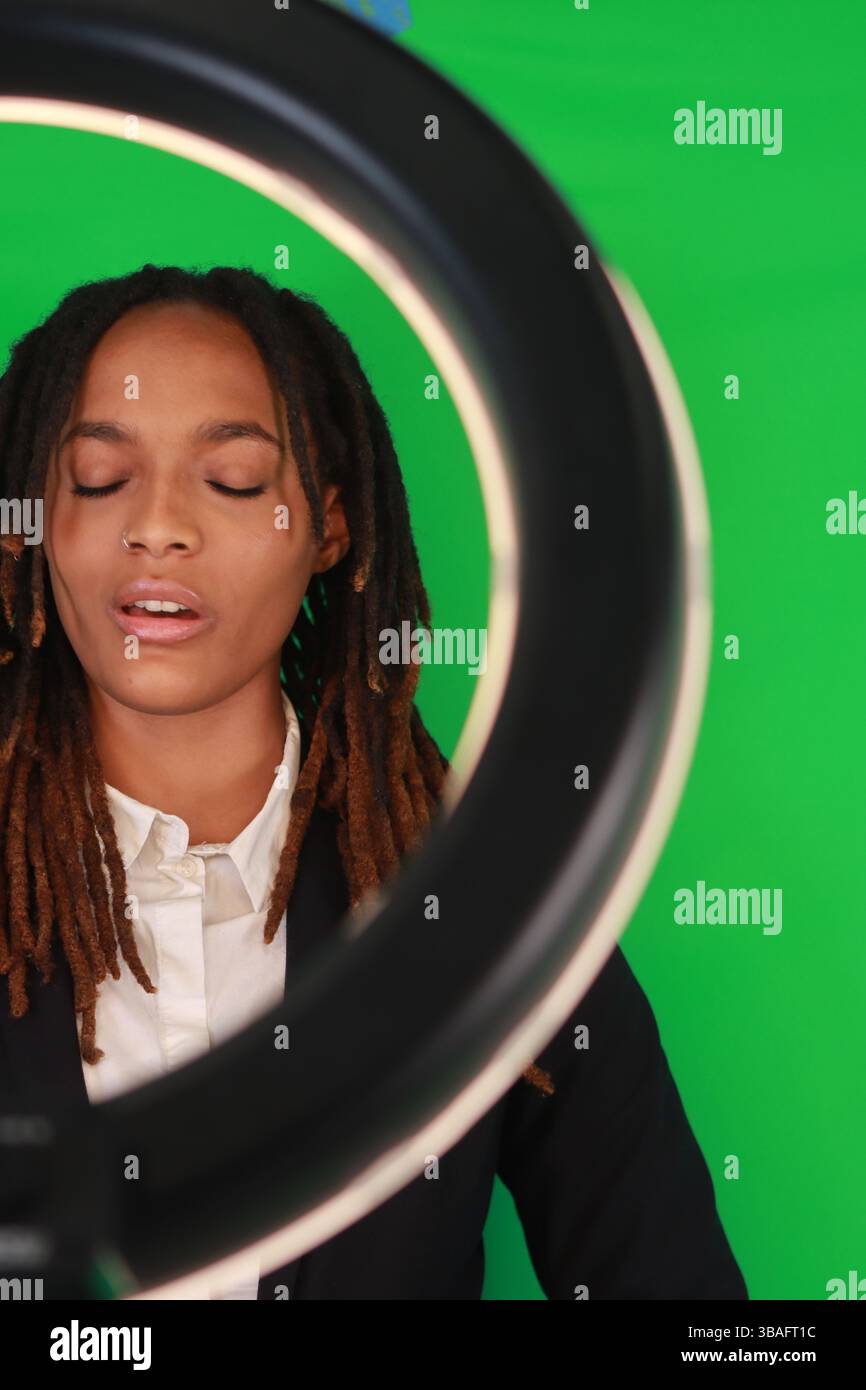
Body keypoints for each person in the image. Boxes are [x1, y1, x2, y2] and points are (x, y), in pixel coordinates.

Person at [0, 264, 748, 1299]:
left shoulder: (486, 904)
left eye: (232, 481)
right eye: (95, 478)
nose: (158, 527)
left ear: (331, 527)